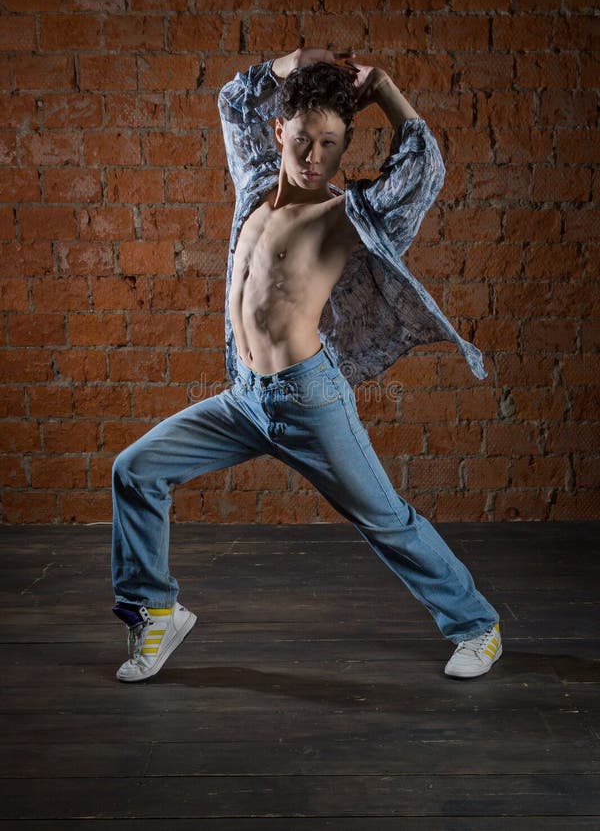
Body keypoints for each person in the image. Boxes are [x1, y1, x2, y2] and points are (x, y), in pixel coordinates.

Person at [111, 46, 502, 683]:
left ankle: (477, 626)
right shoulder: (253, 186)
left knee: (385, 519)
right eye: (302, 140)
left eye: (330, 144)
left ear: (344, 148)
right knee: (135, 470)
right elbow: (233, 100)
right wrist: (292, 62)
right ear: (278, 133)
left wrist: (383, 88)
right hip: (244, 398)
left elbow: (424, 168)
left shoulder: (343, 217)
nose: (314, 156)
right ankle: (156, 611)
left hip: (308, 400)